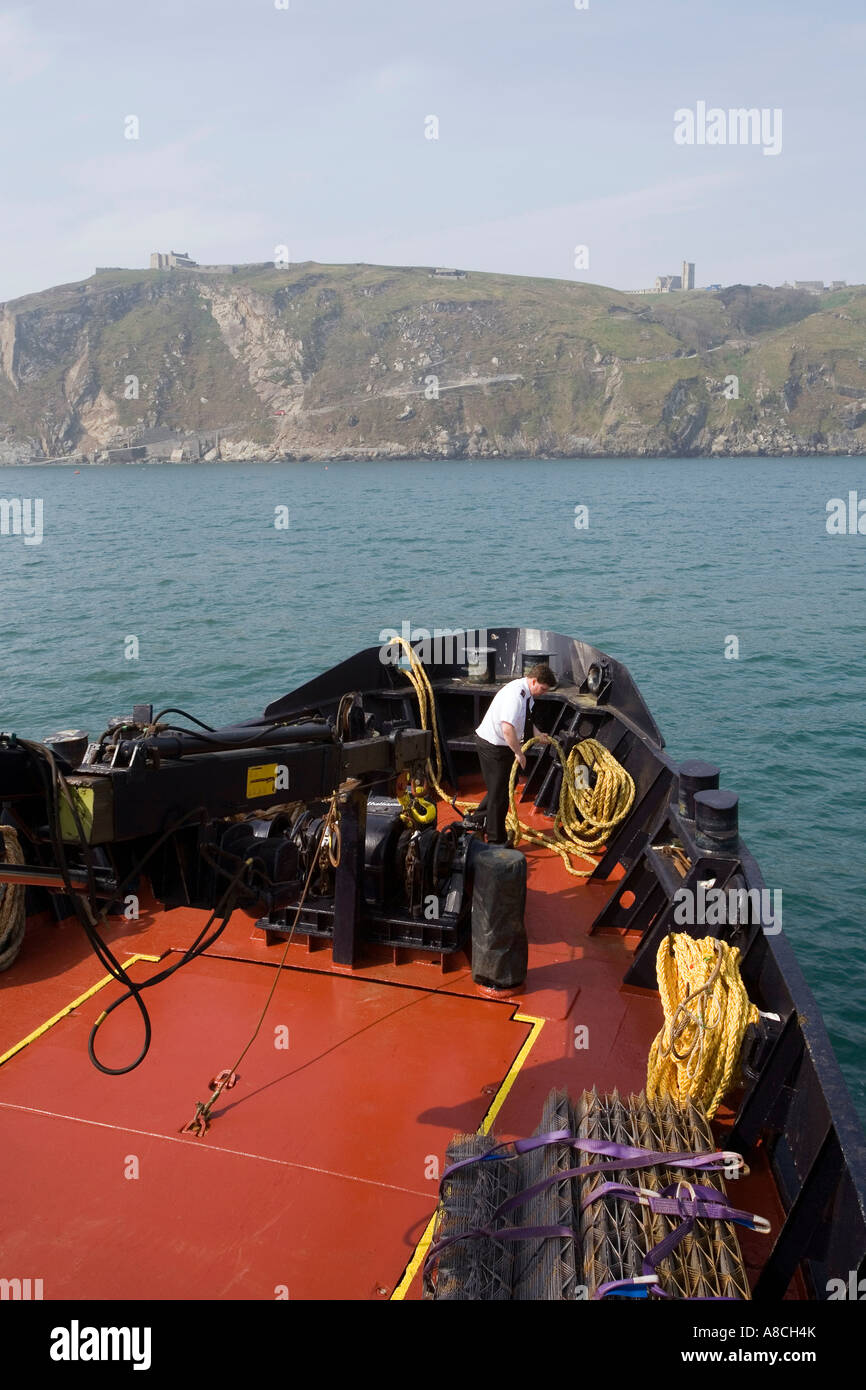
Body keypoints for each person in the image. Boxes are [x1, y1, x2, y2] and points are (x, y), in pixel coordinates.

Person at [474, 663, 557, 845]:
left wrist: (538, 735)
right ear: (534, 681)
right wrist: (519, 753)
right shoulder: (516, 696)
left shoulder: (526, 693)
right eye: (542, 689)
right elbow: (507, 728)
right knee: (500, 796)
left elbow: (526, 719)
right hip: (493, 746)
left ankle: (474, 822)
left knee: (501, 788)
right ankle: (496, 840)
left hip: (503, 746)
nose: (543, 693)